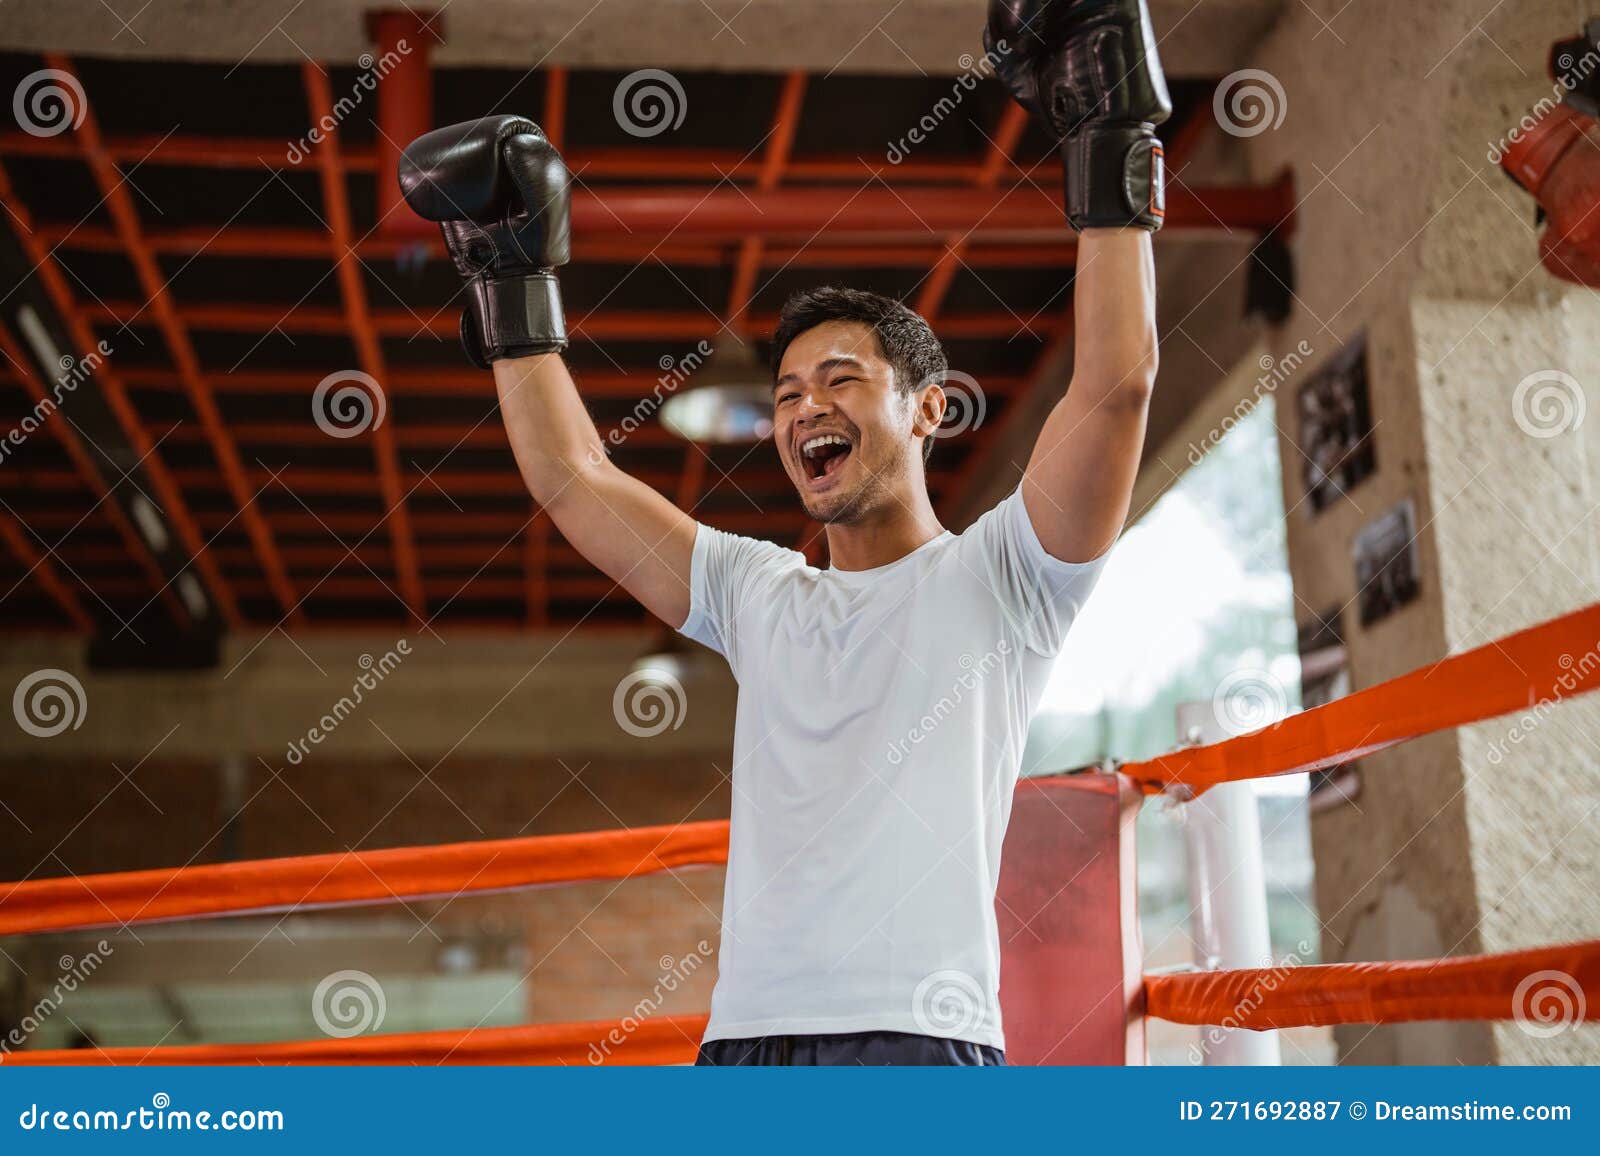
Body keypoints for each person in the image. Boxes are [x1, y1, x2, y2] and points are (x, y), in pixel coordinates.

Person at [398, 0, 1168, 1066]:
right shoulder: (756, 593)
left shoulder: (1008, 574)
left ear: (929, 409)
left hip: (915, 1041)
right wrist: (511, 283)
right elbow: (574, 480)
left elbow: (1116, 388)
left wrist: (1110, 133)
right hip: (747, 1048)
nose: (807, 408)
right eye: (789, 393)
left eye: (841, 379)